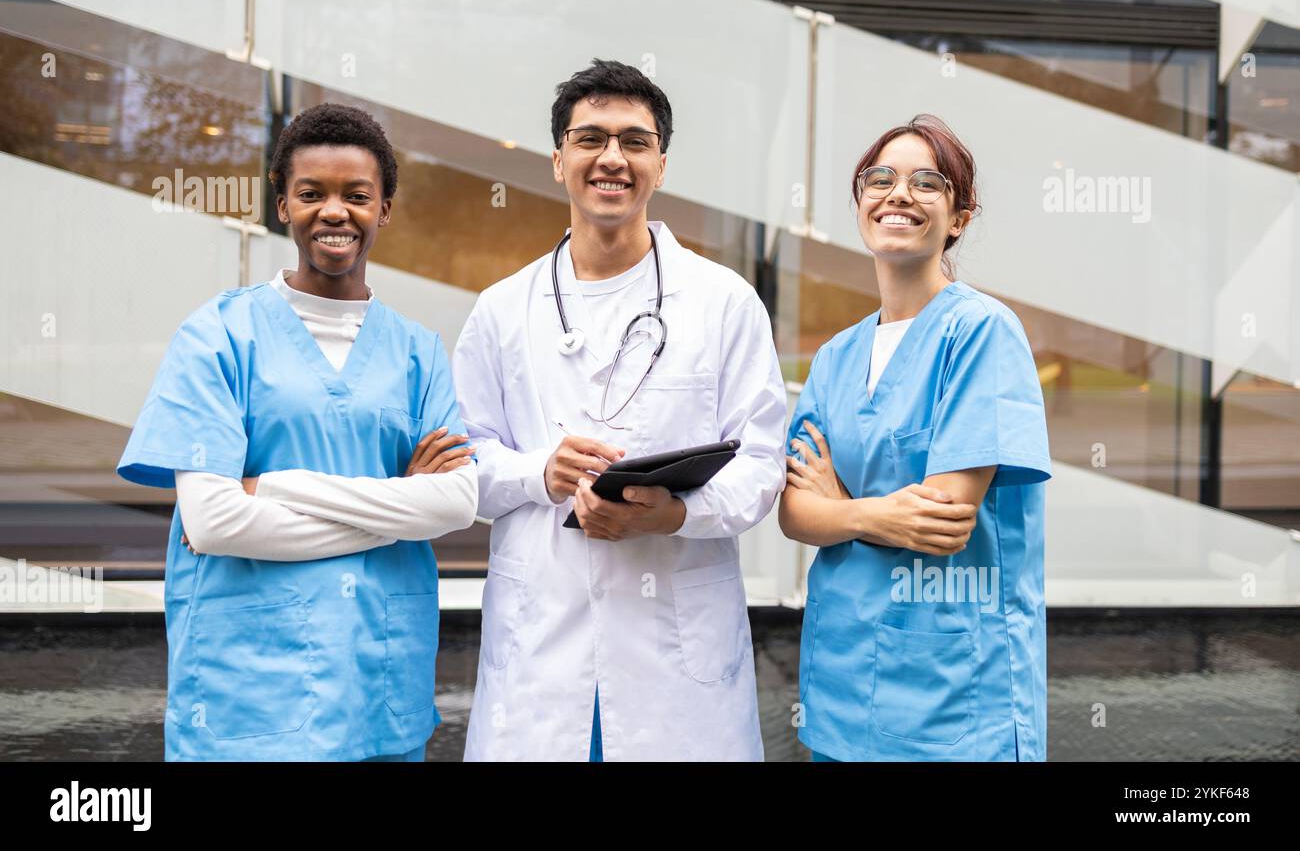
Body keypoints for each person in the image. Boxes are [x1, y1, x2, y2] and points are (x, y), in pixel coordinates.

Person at [117, 103, 478, 761]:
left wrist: (275, 487)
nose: (334, 211)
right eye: (311, 193)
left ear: (385, 210)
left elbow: (455, 502)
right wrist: (400, 505)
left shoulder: (418, 352)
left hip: (379, 684)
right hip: (249, 699)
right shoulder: (219, 337)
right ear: (282, 205)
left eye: (357, 195)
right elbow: (215, 523)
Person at [453, 59, 786, 761]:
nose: (612, 158)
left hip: (674, 656)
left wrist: (677, 514)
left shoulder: (723, 302)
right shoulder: (501, 310)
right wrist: (539, 473)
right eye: (590, 139)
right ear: (557, 160)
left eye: (635, 142)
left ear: (661, 165)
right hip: (542, 649)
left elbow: (760, 463)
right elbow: (463, 464)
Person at [779, 114, 1052, 762]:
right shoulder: (836, 358)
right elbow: (792, 512)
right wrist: (879, 513)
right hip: (843, 687)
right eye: (881, 179)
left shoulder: (982, 332)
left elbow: (943, 521)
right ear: (860, 204)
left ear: (958, 217)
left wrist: (840, 509)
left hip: (955, 696)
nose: (898, 194)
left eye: (926, 183)